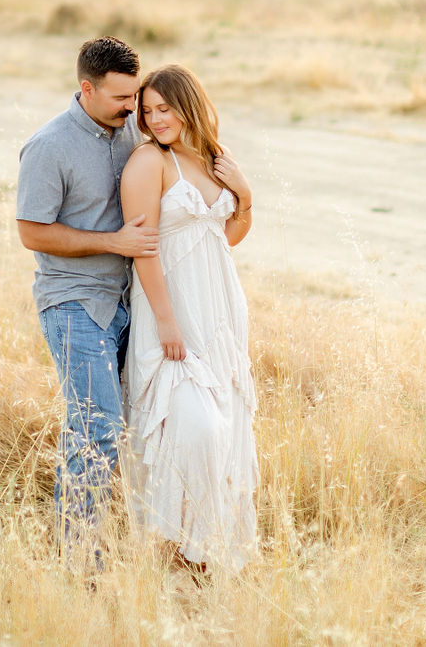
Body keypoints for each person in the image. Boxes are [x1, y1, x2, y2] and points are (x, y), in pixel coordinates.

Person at [16, 36, 158, 565]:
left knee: (130, 426)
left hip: (129, 302)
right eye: (121, 98)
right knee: (96, 429)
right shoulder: (49, 145)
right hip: (74, 303)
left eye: (134, 95)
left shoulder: (131, 132)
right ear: (86, 88)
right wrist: (113, 242)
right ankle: (78, 560)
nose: (132, 107)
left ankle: (117, 541)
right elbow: (32, 232)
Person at [119, 62, 258, 572]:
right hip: (171, 311)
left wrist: (245, 195)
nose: (155, 120)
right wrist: (166, 321)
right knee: (193, 427)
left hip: (219, 311)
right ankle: (172, 546)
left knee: (226, 427)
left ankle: (207, 558)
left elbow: (227, 236)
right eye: (147, 111)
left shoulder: (213, 157)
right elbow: (144, 248)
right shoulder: (147, 162)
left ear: (188, 105)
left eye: (165, 109)